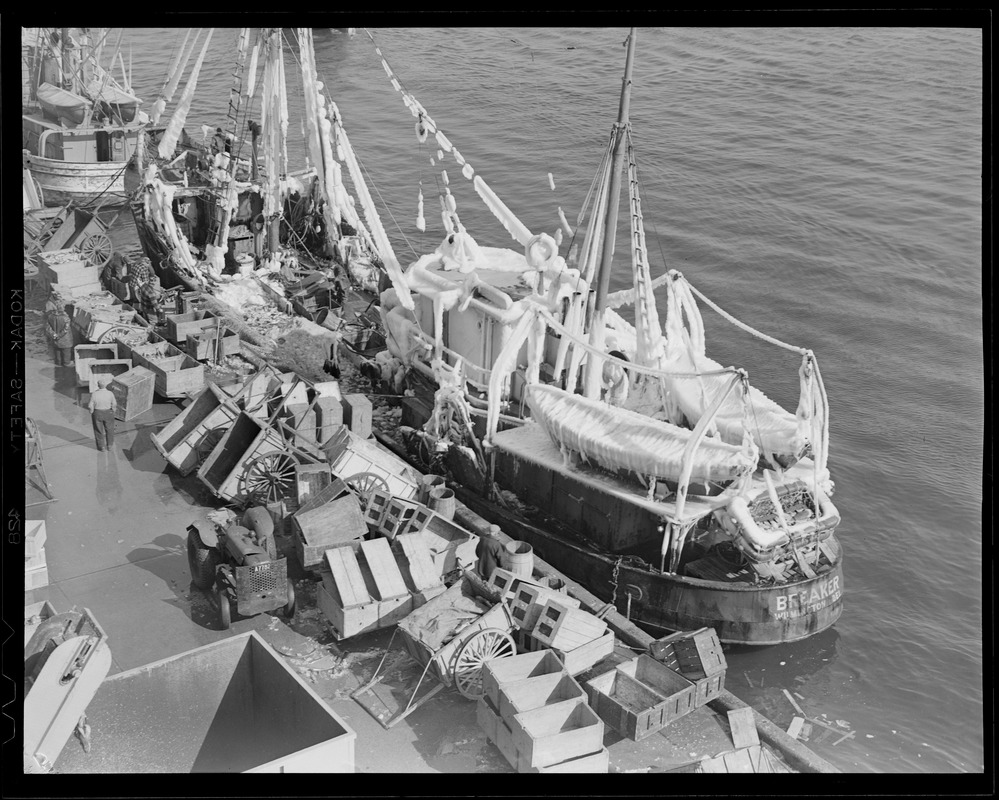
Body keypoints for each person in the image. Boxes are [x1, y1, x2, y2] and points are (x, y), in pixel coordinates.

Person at [88, 374, 117, 451]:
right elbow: (114, 404)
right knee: (110, 429)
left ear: (98, 385)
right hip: (108, 412)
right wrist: (113, 411)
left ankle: (102, 447)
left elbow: (90, 406)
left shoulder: (94, 394)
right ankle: (110, 445)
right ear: (105, 385)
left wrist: (91, 411)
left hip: (97, 413)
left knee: (98, 430)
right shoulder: (110, 393)